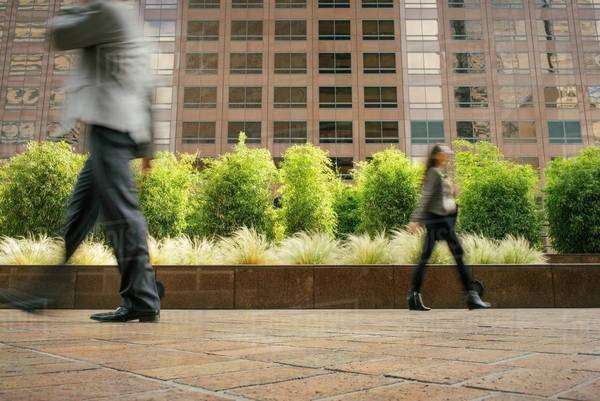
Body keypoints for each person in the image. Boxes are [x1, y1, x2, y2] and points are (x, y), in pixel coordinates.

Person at [49, 0, 161, 322]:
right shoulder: (127, 17)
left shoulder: (106, 10)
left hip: (110, 126)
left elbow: (59, 35)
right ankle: (47, 286)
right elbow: (147, 89)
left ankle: (143, 298)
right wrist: (147, 148)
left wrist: (70, 10)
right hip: (120, 127)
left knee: (122, 216)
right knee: (82, 209)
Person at [407, 145, 490, 311]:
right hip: (438, 222)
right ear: (437, 156)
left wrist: (452, 191)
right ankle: (471, 296)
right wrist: (415, 220)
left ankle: (414, 296)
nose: (448, 157)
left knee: (427, 258)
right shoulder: (433, 173)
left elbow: (443, 198)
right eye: (445, 154)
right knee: (457, 256)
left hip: (443, 221)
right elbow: (426, 197)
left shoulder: (441, 173)